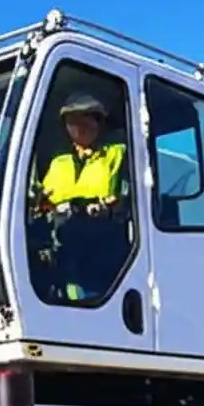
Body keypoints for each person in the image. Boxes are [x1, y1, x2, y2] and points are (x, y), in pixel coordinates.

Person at [32, 92, 131, 301]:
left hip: (102, 250)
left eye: (88, 119)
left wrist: (106, 208)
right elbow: (43, 201)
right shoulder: (59, 163)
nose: (81, 126)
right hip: (63, 246)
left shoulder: (117, 153)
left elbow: (131, 198)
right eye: (73, 121)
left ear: (99, 123)